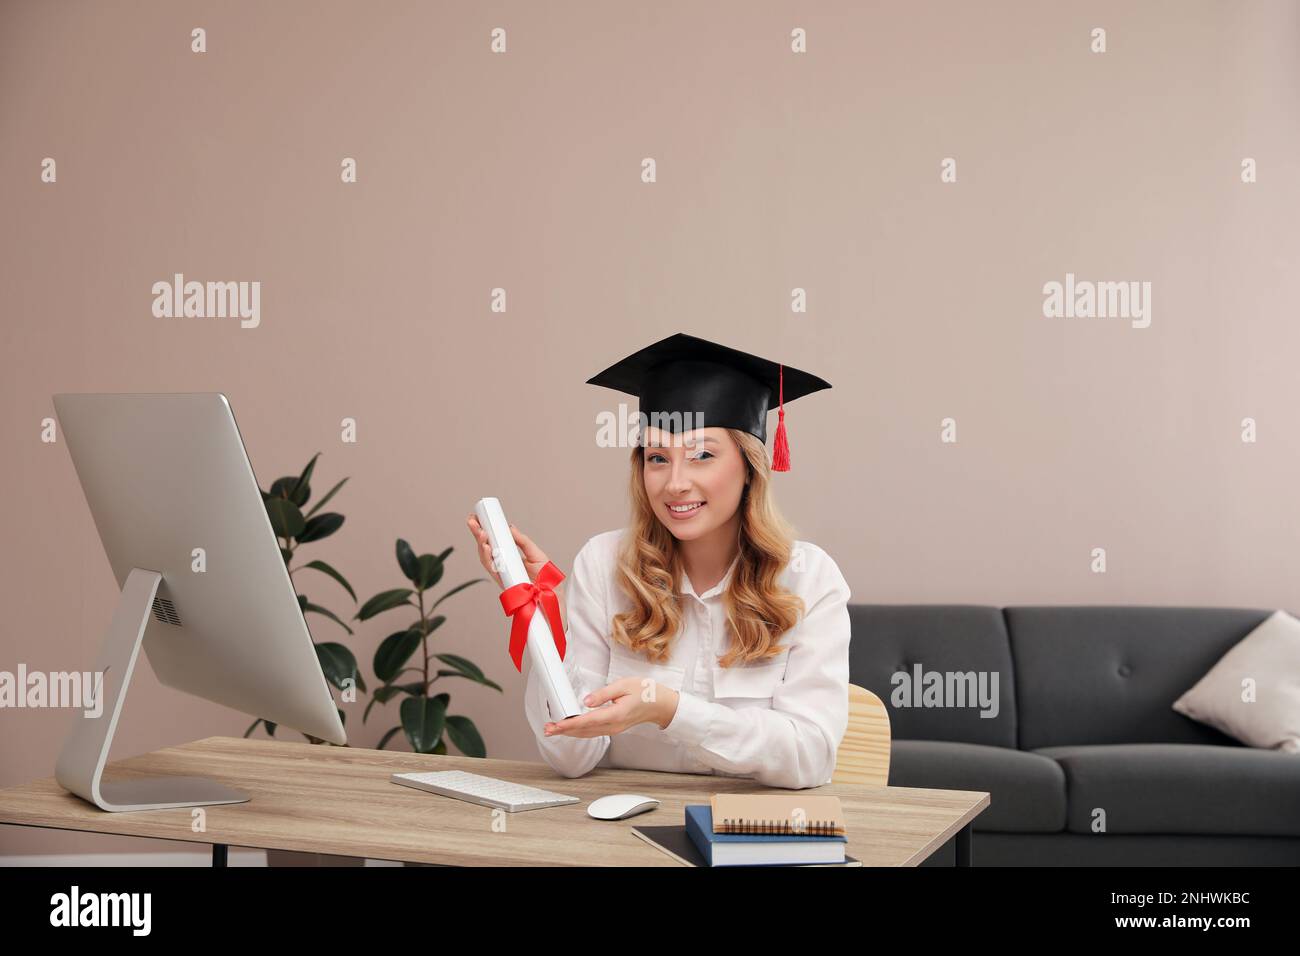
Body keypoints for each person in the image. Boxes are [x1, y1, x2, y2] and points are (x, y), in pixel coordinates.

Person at [466, 332, 850, 790]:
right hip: (623, 838)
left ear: (749, 468)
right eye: (657, 458)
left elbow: (810, 757)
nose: (675, 483)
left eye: (702, 455)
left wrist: (672, 710)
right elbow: (571, 755)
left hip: (749, 837)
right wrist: (541, 617)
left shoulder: (807, 579)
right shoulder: (604, 565)